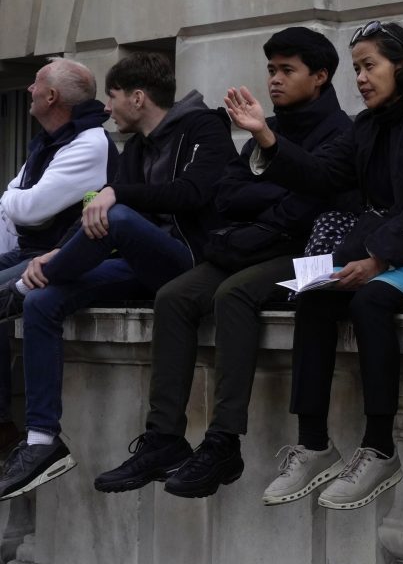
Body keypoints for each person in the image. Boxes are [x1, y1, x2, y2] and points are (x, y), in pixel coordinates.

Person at [93, 29, 354, 498]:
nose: (274, 79)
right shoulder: (263, 127)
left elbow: (312, 203)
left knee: (233, 295)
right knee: (173, 297)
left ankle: (222, 441)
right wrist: (276, 187)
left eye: (286, 70)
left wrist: (271, 182)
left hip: (300, 253)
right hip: (247, 246)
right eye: (271, 69)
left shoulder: (341, 131)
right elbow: (226, 195)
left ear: (319, 76)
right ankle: (164, 438)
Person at [227, 21, 403, 511]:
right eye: (358, 68)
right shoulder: (366, 126)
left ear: (401, 67)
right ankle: (314, 444)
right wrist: (265, 136)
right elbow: (320, 175)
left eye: (370, 66)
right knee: (315, 295)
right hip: (382, 251)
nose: (360, 78)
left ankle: (380, 446)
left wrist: (377, 259)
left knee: (371, 300)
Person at [0, 52, 237, 500]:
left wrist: (113, 194)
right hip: (135, 265)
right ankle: (41, 442)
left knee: (121, 217)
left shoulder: (205, 128)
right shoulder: (135, 150)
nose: (106, 109)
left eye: (111, 97)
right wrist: (55, 253)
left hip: (187, 262)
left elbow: (193, 194)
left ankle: (13, 290)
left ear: (138, 97)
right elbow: (92, 219)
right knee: (42, 300)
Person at [0, 60, 110, 453]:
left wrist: (13, 200)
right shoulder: (49, 139)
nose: (28, 89)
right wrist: (15, 200)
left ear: (51, 96)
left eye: (36, 83)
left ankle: (6, 427)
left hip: (57, 254)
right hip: (27, 248)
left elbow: (27, 207)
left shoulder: (89, 142)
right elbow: (17, 200)